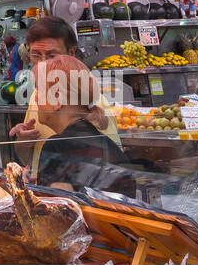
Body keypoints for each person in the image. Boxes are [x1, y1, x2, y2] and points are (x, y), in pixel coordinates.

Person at [9, 15, 121, 164]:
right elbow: (30, 161)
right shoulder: (37, 95)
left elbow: (109, 166)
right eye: (36, 55)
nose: (42, 63)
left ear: (71, 53)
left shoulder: (91, 101)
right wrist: (23, 142)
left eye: (51, 56)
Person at [28, 55, 129, 192]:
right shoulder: (103, 142)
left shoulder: (57, 146)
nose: (35, 97)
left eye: (38, 90)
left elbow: (56, 207)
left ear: (57, 98)